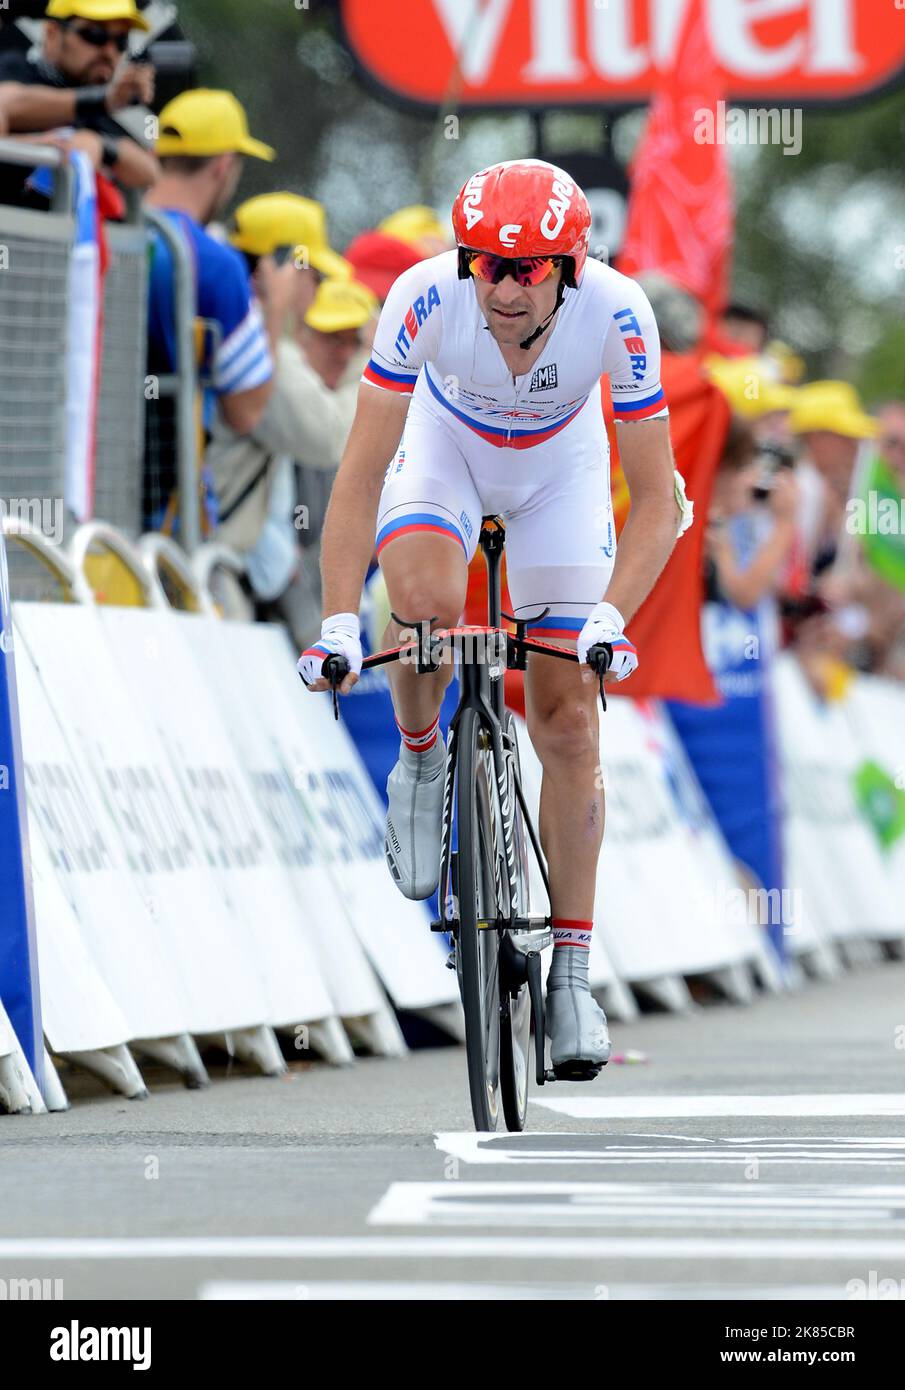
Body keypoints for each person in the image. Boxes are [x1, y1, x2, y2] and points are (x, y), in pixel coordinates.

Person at [297, 159, 679, 1074]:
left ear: (572, 268)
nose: (503, 287)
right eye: (486, 265)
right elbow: (356, 481)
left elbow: (658, 502)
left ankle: (572, 977)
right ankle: (421, 760)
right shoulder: (425, 298)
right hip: (447, 454)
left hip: (561, 476)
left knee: (567, 722)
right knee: (426, 610)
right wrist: (341, 622)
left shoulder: (620, 313)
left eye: (528, 268)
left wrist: (608, 620)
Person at [142, 88, 277, 531]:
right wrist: (273, 308)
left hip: (73, 476)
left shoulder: (102, 220)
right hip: (160, 507)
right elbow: (247, 412)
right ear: (223, 165)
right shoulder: (215, 263)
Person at [0, 0, 157, 206]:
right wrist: (105, 100)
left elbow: (150, 173)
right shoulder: (15, 69)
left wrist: (101, 146)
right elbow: (11, 100)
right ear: (53, 33)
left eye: (121, 41)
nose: (109, 52)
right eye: (95, 35)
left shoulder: (99, 111)